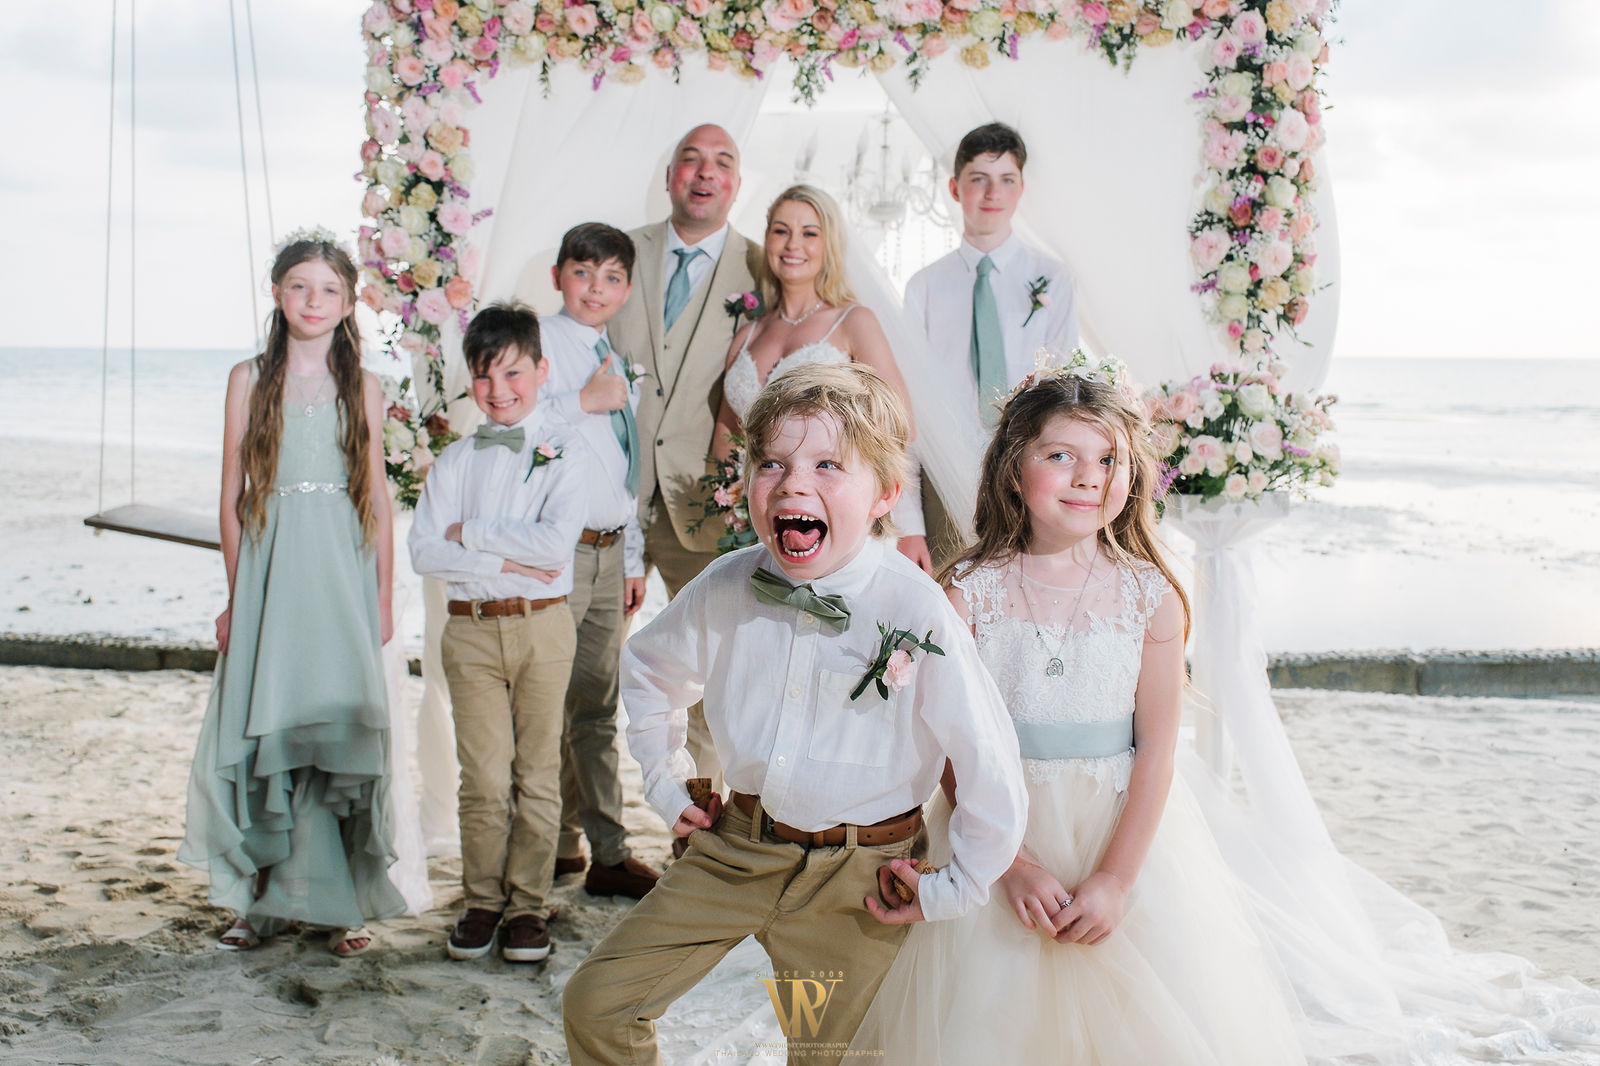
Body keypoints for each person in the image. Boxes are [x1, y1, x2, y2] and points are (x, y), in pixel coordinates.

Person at [562, 364, 1028, 1066]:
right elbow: (650, 669)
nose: (792, 485)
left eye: (827, 465)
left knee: (826, 1051)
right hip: (736, 852)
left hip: (858, 876)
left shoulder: (915, 609)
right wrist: (666, 783)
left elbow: (986, 756)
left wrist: (956, 889)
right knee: (598, 1004)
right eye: (771, 463)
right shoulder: (726, 585)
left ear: (885, 495)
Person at [850, 354, 1306, 1064]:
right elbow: (945, 745)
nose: (1088, 475)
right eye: (1060, 455)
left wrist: (1117, 880)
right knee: (990, 1021)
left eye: (1107, 458)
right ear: (1013, 468)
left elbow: (1157, 747)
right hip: (999, 828)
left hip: (1116, 835)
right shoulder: (969, 593)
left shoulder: (1150, 596)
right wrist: (1007, 865)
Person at [179, 230, 404, 958]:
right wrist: (238, 596)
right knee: (265, 731)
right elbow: (231, 496)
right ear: (277, 294)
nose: (314, 301)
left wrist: (383, 598)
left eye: (330, 290)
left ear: (348, 305)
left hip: (340, 569)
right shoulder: (249, 378)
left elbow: (376, 495)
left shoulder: (364, 385)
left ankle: (342, 907)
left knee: (335, 733)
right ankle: (254, 903)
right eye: (300, 286)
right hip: (274, 572)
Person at [408, 302, 592, 964]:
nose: (499, 390)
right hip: (471, 633)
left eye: (513, 372)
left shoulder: (568, 450)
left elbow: (552, 547)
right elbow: (424, 552)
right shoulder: (455, 461)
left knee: (538, 772)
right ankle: (482, 899)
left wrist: (473, 535)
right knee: (482, 776)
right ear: (471, 380)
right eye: (484, 377)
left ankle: (528, 907)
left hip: (543, 629)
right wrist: (499, 559)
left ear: (541, 370)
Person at [608, 122, 758, 793]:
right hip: (611, 494)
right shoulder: (618, 255)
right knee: (587, 674)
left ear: (736, 183)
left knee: (711, 675)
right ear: (669, 175)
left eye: (721, 162)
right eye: (690, 160)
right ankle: (587, 841)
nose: (704, 173)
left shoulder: (761, 268)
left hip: (710, 505)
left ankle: (698, 833)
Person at [536, 222, 660, 899]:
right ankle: (559, 843)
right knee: (553, 699)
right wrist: (583, 402)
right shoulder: (542, 344)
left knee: (595, 704)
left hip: (611, 551)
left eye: (612, 277)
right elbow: (514, 431)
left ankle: (602, 848)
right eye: (583, 272)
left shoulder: (616, 356)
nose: (596, 288)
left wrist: (634, 555)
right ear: (558, 276)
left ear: (626, 289)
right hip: (560, 551)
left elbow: (622, 466)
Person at [713, 183, 930, 571]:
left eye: (809, 233)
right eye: (781, 230)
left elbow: (902, 429)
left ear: (829, 244)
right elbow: (727, 432)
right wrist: (726, 503)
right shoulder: (747, 333)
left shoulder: (853, 322)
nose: (793, 244)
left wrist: (909, 526)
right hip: (754, 518)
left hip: (832, 518)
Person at [903, 122, 1079, 565]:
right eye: (977, 179)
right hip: (942, 475)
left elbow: (1065, 388)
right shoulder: (924, 287)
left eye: (1006, 180)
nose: (991, 193)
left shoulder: (1052, 277)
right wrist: (909, 526)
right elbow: (905, 407)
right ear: (954, 188)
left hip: (1028, 468)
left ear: (1021, 189)